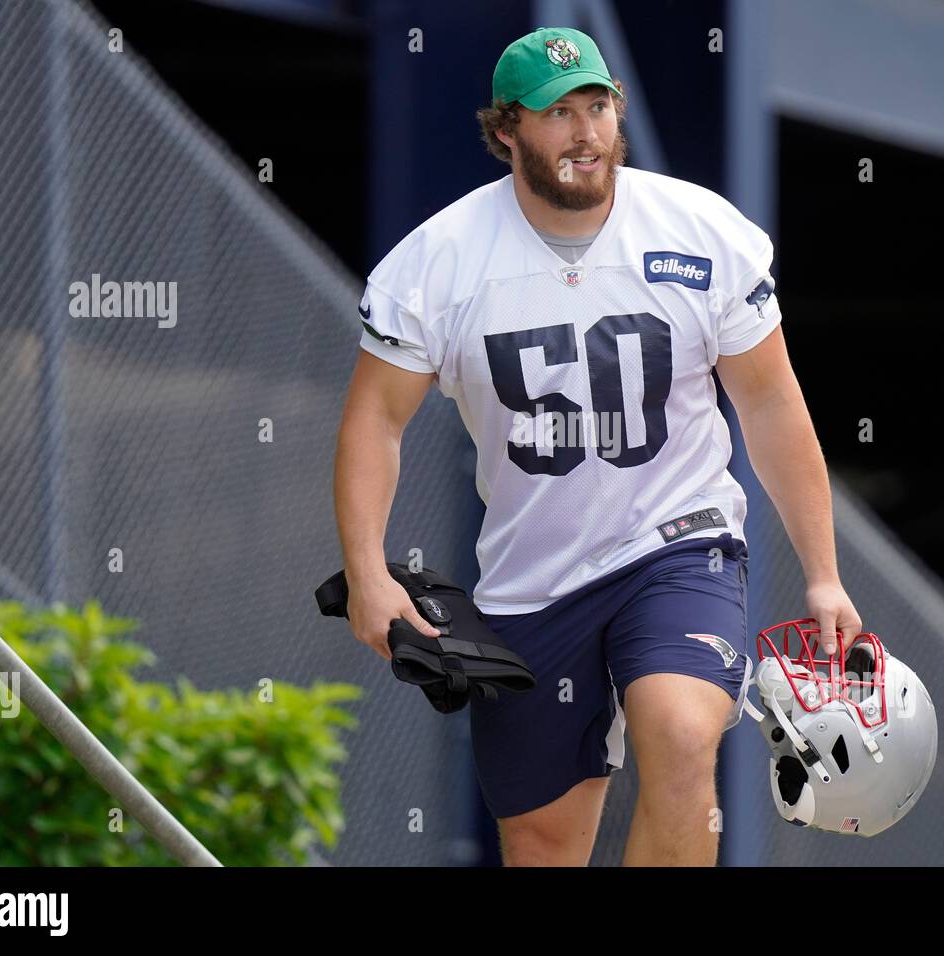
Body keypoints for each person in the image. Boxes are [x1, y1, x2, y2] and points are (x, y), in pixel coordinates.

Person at [334, 26, 861, 866]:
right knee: (544, 844)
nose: (585, 133)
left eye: (598, 106)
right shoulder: (435, 263)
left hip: (677, 543)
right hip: (532, 578)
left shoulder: (701, 231)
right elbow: (374, 422)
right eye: (557, 114)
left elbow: (768, 403)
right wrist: (366, 574)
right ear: (506, 131)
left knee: (682, 734)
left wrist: (823, 574)